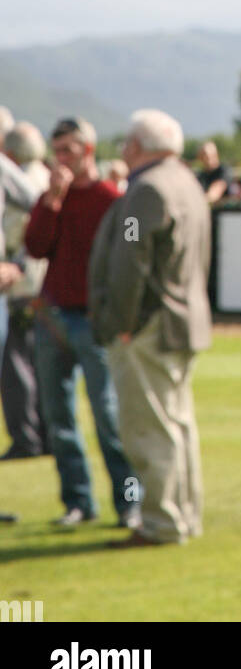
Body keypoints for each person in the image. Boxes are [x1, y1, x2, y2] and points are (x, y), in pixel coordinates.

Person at [89, 109, 211, 547]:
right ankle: (183, 516)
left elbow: (130, 262)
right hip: (182, 321)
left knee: (149, 430)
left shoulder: (147, 189)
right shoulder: (187, 182)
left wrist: (121, 324)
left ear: (138, 146)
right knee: (177, 426)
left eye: (126, 142)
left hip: (148, 327)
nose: (122, 149)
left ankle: (161, 523)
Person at [24, 117, 138, 529]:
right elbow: (35, 248)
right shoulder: (52, 196)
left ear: (88, 151)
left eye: (68, 151)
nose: (60, 161)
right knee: (59, 420)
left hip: (95, 321)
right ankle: (78, 503)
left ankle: (130, 504)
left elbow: (128, 258)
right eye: (56, 152)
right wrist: (52, 202)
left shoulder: (112, 200)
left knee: (109, 420)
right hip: (52, 319)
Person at [0, 122, 50, 459]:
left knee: (17, 366)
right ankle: (45, 434)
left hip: (20, 286)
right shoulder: (46, 176)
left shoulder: (17, 177)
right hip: (43, 283)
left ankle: (28, 436)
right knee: (40, 363)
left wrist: (15, 261)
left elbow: (28, 222)